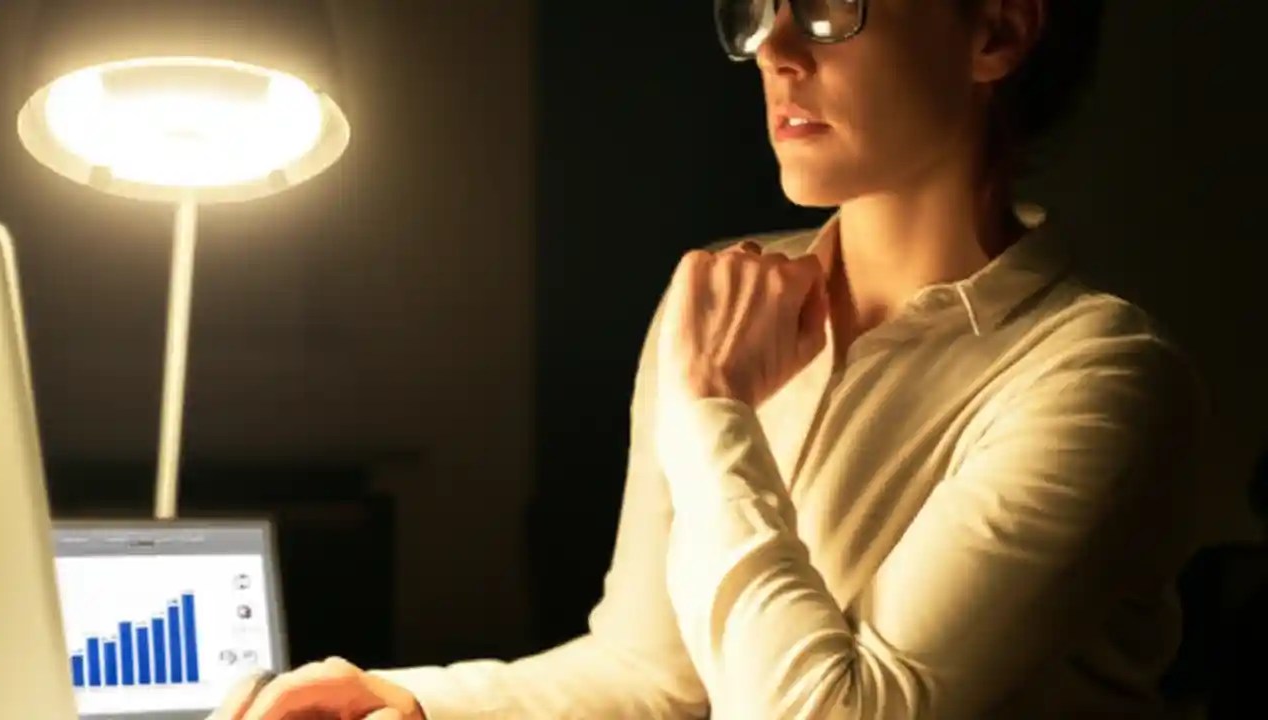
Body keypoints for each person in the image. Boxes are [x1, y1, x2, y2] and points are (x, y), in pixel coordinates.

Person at [210, 0, 1209, 718]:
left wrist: (712, 413)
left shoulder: (1098, 379)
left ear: (995, 34)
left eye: (829, 10)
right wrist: (408, 699)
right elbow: (657, 675)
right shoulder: (726, 300)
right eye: (760, 8)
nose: (774, 49)